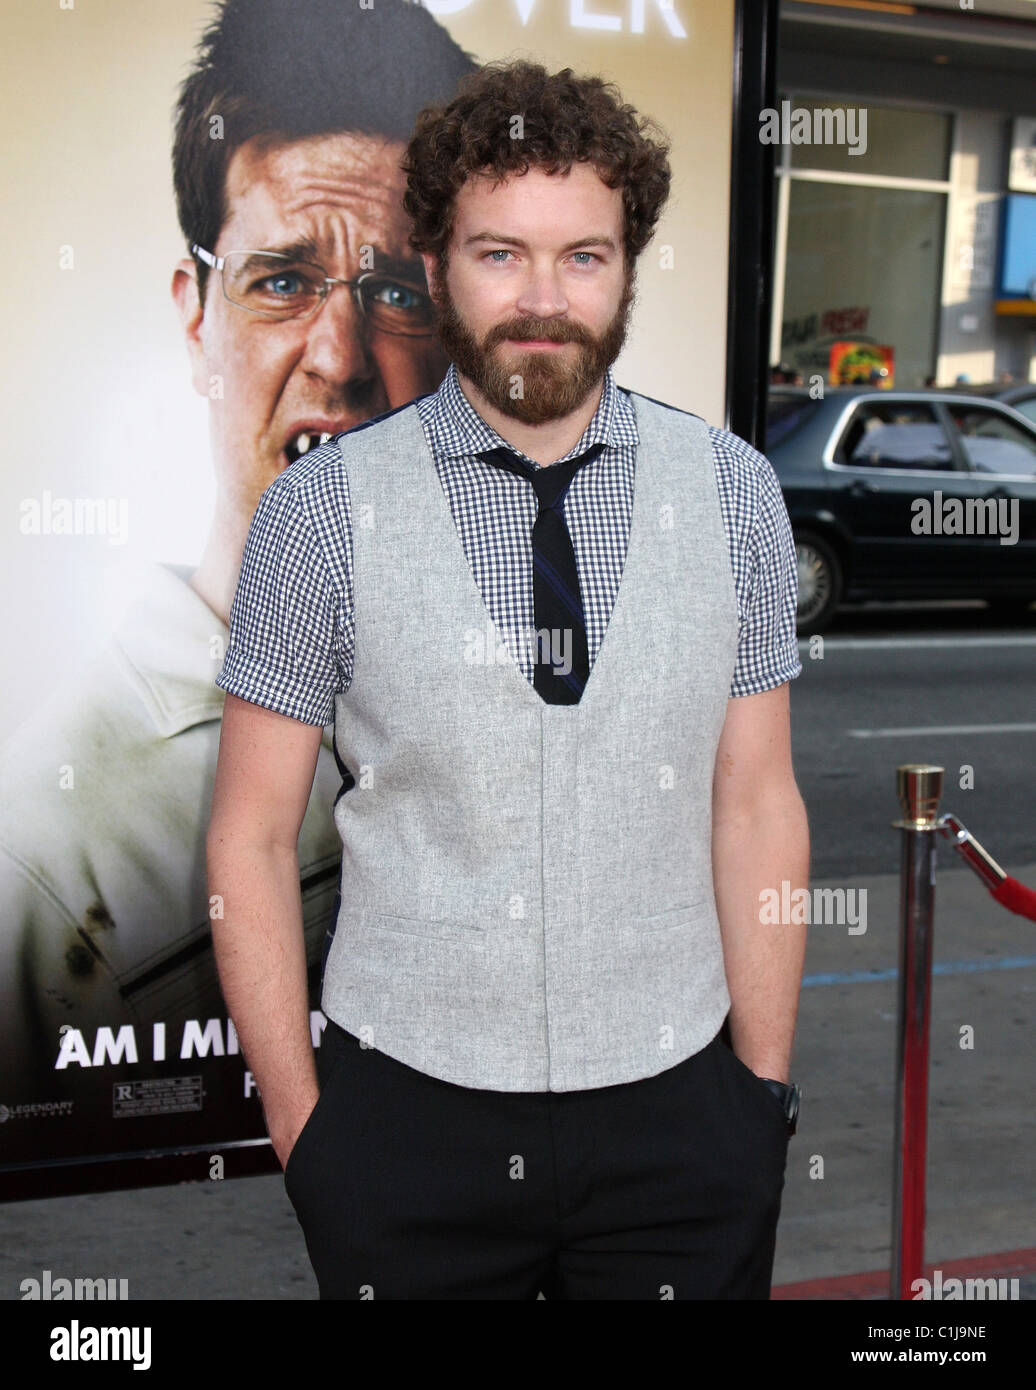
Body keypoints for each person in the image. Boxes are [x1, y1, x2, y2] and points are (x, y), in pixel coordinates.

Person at [209, 60, 810, 1300]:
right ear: (433, 268)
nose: (544, 299)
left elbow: (755, 805)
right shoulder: (321, 513)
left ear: (630, 269)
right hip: (405, 1132)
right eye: (501, 254)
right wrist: (309, 1138)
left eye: (583, 256)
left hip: (681, 1127)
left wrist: (759, 1097)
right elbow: (250, 837)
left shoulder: (734, 491)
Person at [0, 0, 475, 1116]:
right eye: (282, 280)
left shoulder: (530, 676)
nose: (342, 357)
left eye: (400, 289)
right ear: (194, 316)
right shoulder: (51, 853)